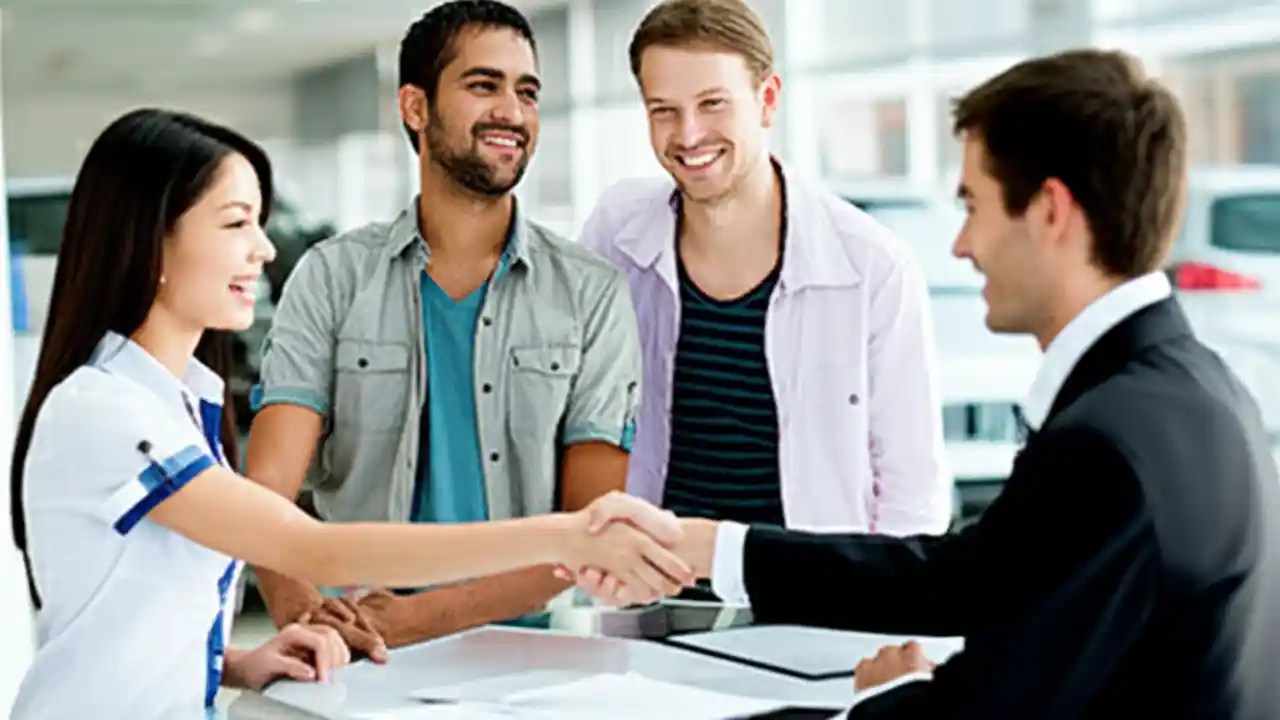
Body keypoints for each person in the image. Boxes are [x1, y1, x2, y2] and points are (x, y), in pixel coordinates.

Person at [581, 49, 1280, 718]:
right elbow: (968, 577)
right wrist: (711, 546)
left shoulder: (1104, 446)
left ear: (1049, 212)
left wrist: (885, 698)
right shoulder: (1201, 392)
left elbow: (996, 701)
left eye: (973, 205)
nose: (960, 245)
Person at [7, 108, 690, 720]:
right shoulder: (107, 410)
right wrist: (567, 535)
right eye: (236, 222)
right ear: (153, 240)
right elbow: (310, 549)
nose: (265, 250)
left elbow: (132, 612)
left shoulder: (177, 401)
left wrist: (237, 665)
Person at [245, 0, 643, 660]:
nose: (513, 113)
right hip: (352, 654)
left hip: (527, 661)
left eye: (528, 91)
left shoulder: (590, 293)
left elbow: (590, 531)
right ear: (415, 107)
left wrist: (412, 621)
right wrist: (308, 617)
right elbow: (264, 500)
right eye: (483, 85)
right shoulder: (331, 278)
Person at [579, 0, 951, 534]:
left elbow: (911, 489)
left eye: (712, 103)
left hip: (809, 597)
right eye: (664, 110)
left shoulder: (873, 266)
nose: (687, 135)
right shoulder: (616, 233)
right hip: (652, 592)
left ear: (767, 100)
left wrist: (884, 608)